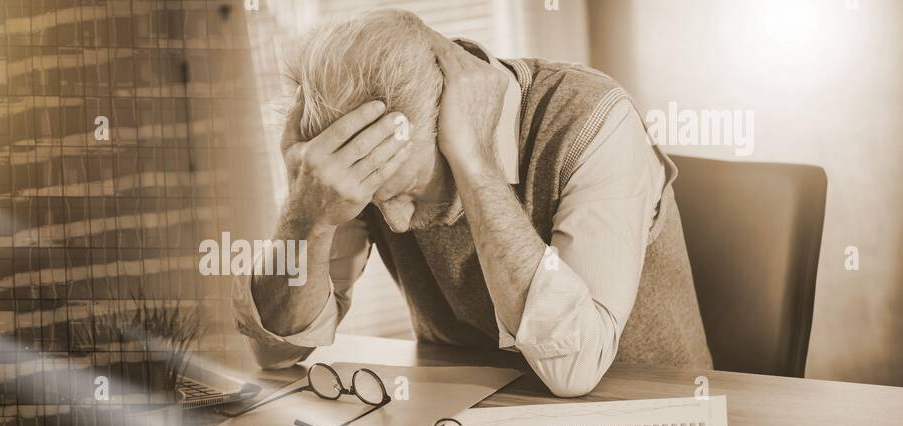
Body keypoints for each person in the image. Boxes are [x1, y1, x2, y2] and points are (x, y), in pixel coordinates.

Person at [234, 9, 712, 397]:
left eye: (406, 193)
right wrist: (305, 213)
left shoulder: (596, 119)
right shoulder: (367, 162)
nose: (395, 224)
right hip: (471, 419)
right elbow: (277, 351)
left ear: (455, 122)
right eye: (376, 203)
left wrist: (476, 165)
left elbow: (576, 368)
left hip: (653, 414)